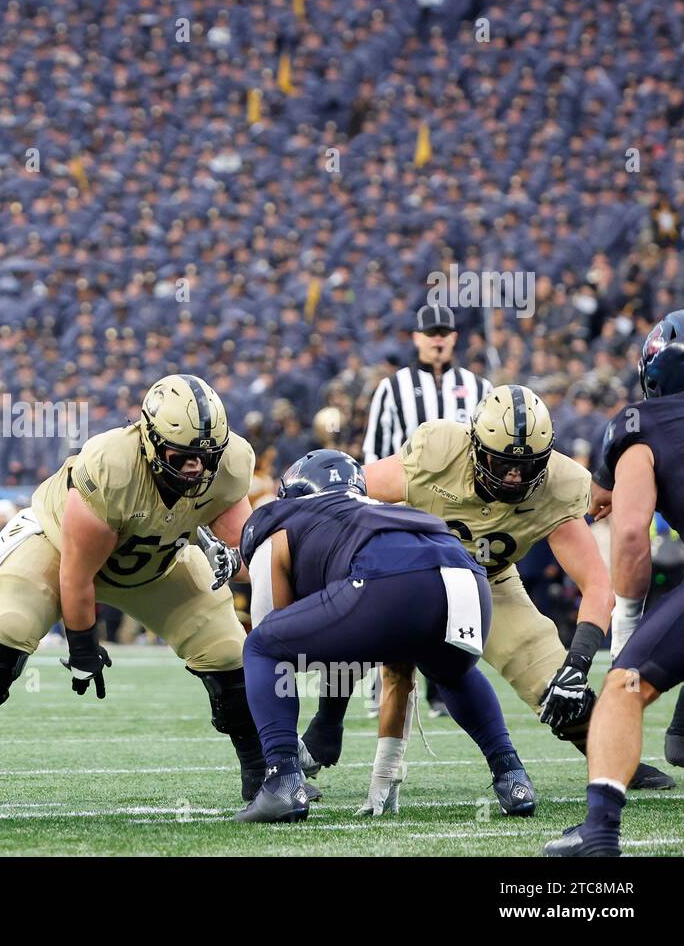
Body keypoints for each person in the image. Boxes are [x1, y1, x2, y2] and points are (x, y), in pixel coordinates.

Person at [0, 374, 269, 809]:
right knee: (7, 625)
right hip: (58, 548)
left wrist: (240, 557)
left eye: (206, 456)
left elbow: (245, 545)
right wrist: (83, 648)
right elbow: (78, 576)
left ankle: (263, 772)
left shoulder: (229, 463)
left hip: (157, 561)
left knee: (229, 651)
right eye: (184, 457)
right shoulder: (111, 466)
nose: (197, 468)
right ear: (152, 443)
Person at [299, 386, 674, 801]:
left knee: (559, 693)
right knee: (353, 624)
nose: (514, 476)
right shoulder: (440, 450)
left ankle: (608, 756)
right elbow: (355, 488)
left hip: (489, 583)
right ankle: (326, 724)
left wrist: (579, 661)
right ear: (476, 447)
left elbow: (597, 584)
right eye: (503, 463)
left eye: (526, 465)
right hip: (414, 575)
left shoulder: (559, 483)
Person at [235, 449, 536, 823]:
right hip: (468, 579)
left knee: (262, 646)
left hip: (387, 582)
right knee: (449, 669)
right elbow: (373, 650)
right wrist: (336, 724)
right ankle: (512, 776)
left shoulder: (280, 518)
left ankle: (282, 783)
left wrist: (323, 724)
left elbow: (280, 639)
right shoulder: (381, 510)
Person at [547, 313, 684, 855]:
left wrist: (627, 622)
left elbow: (628, 532)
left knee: (622, 688)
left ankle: (599, 833)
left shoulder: (639, 423)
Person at [362, 304, 493, 716]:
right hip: (406, 504)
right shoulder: (392, 388)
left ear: (455, 337)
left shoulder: (479, 386)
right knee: (393, 592)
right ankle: (383, 680)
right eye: (430, 332)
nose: (437, 338)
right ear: (416, 338)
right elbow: (374, 450)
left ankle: (443, 682)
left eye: (444, 332)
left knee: (457, 593)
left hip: (461, 509)